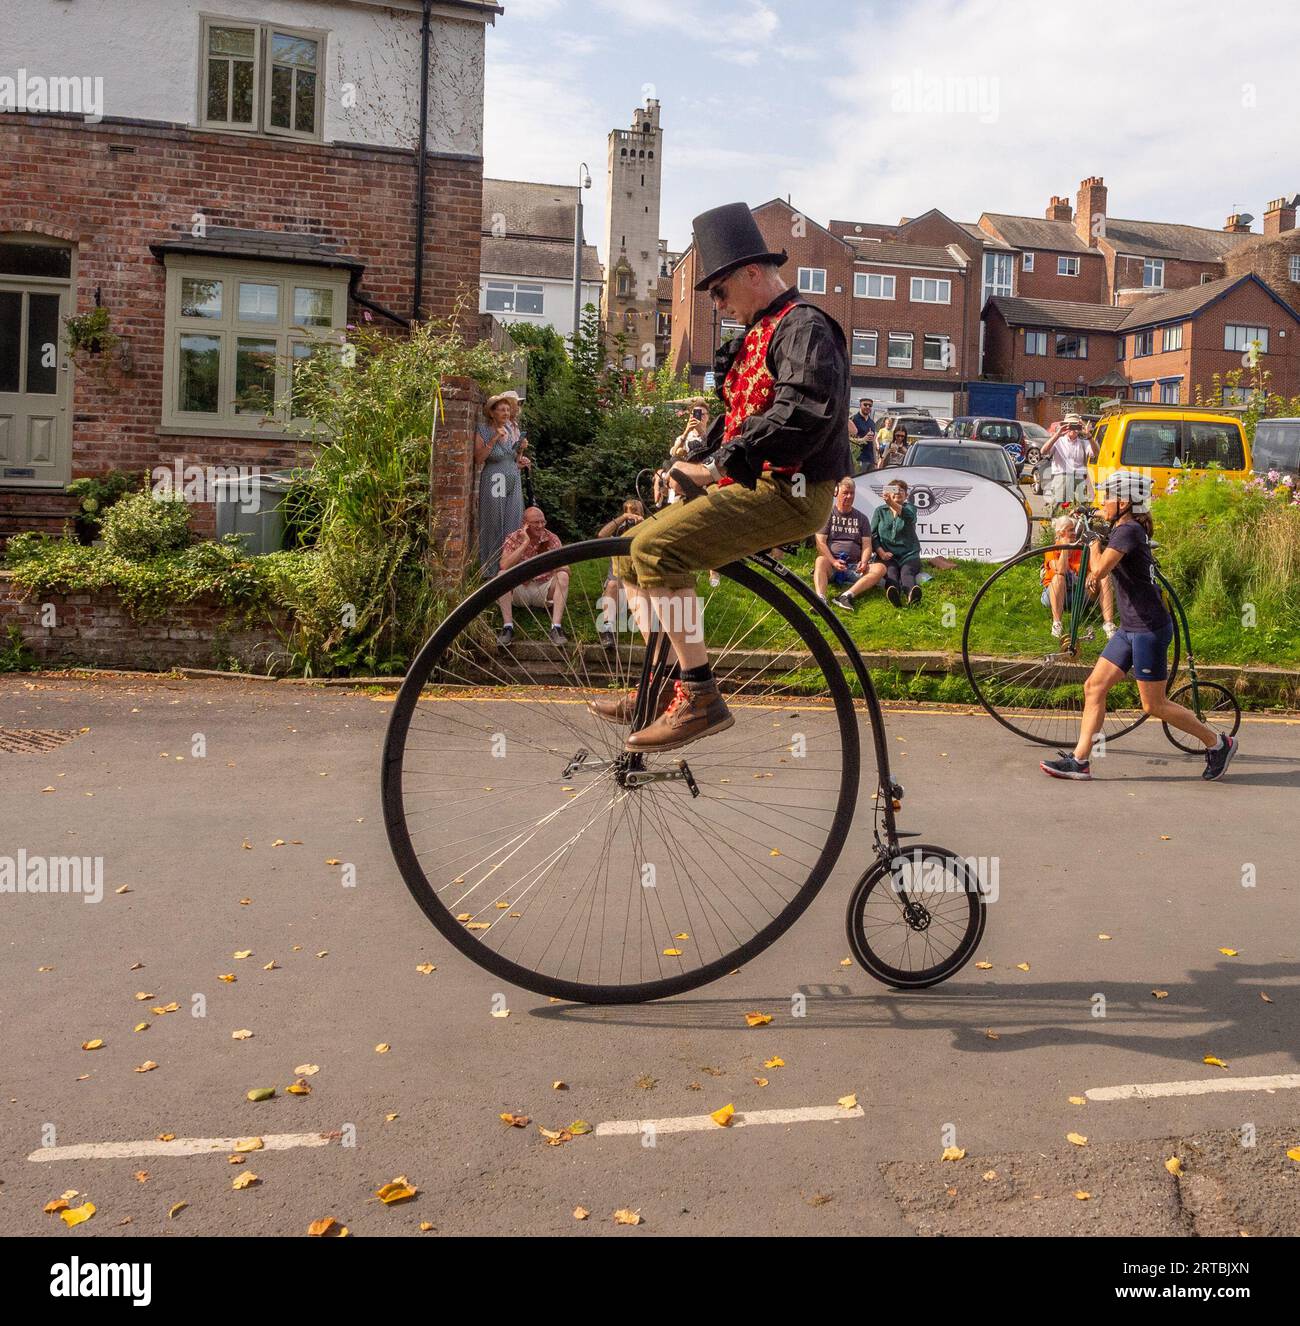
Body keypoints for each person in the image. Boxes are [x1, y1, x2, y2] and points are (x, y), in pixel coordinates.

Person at [589, 201, 852, 752]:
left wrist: (712, 468)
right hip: (752, 485)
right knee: (628, 545)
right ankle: (660, 687)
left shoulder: (803, 327)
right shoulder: (758, 335)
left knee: (661, 549)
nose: (717, 303)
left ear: (753, 274)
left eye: (721, 291)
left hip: (790, 489)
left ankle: (699, 695)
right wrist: (692, 464)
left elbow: (801, 412)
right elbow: (736, 424)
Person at [1041, 471, 1237, 781]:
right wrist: (1097, 555)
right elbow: (1098, 578)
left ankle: (1218, 743)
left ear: (1124, 501)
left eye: (1108, 496)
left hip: (1148, 628)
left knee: (1153, 704)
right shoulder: (1122, 530)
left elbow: (1101, 569)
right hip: (1129, 628)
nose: (1103, 502)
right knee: (1094, 687)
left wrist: (1093, 545)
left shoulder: (1128, 531)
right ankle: (1080, 761)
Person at [496, 507, 570, 647]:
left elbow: (567, 568)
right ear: (525, 523)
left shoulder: (552, 539)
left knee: (563, 576)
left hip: (543, 589)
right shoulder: (514, 538)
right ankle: (507, 627)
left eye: (543, 522)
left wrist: (547, 564)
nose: (541, 526)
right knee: (502, 575)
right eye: (536, 522)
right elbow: (504, 565)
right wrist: (525, 543)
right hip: (519, 590)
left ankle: (556, 628)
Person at [475, 393, 529, 578]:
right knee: (493, 522)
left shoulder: (512, 429)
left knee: (513, 520)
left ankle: (510, 568)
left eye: (508, 409)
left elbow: (514, 458)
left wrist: (521, 450)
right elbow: (478, 459)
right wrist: (493, 439)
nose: (507, 413)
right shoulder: (483, 430)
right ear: (492, 412)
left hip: (513, 477)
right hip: (495, 478)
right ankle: (490, 571)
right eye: (502, 410)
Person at [1042, 513, 1116, 640]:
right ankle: (1057, 624)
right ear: (1060, 533)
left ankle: (1109, 624)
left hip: (1079, 596)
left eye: (1074, 529)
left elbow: (1092, 569)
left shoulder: (1080, 550)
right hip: (1055, 596)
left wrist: (1091, 575)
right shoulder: (1052, 550)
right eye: (1071, 530)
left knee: (1103, 577)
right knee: (1059, 577)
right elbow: (1060, 570)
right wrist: (1065, 548)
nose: (1074, 532)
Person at [814, 477, 882, 610]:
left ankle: (846, 596)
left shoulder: (862, 518)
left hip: (854, 566)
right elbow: (820, 543)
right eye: (845, 493)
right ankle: (821, 599)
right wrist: (833, 561)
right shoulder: (827, 515)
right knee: (820, 560)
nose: (849, 496)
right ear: (837, 493)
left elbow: (867, 545)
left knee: (880, 568)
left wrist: (864, 561)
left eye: (852, 493)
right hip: (832, 565)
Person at [596, 500, 646, 648]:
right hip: (618, 590)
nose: (632, 516)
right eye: (628, 511)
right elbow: (601, 536)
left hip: (641, 588)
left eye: (635, 512)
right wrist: (623, 518)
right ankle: (607, 629)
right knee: (612, 584)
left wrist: (643, 523)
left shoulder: (648, 530)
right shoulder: (619, 532)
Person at [872, 478, 923, 605]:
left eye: (901, 490)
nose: (898, 492)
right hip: (887, 555)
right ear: (888, 493)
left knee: (907, 572)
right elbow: (873, 535)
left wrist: (891, 503)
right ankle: (893, 593)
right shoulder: (880, 511)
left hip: (909, 554)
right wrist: (881, 552)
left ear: (906, 495)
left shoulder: (910, 508)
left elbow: (909, 517)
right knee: (891, 572)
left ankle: (912, 595)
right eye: (894, 490)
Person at [1041, 413, 1096, 512]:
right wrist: (1057, 434)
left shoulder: (1084, 441)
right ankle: (1056, 526)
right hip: (1061, 477)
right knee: (1058, 507)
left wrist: (1089, 435)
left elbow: (1096, 453)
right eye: (1070, 426)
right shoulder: (1058, 440)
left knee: (1081, 508)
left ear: (1079, 427)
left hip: (1079, 477)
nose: (1073, 429)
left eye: (1075, 426)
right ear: (1065, 426)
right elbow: (1043, 451)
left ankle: (1078, 526)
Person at [849, 397, 877, 469]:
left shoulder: (872, 422)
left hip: (870, 459)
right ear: (860, 405)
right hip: (857, 459)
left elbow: (873, 442)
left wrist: (875, 461)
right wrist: (863, 439)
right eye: (865, 404)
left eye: (870, 406)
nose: (867, 407)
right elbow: (847, 439)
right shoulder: (853, 420)